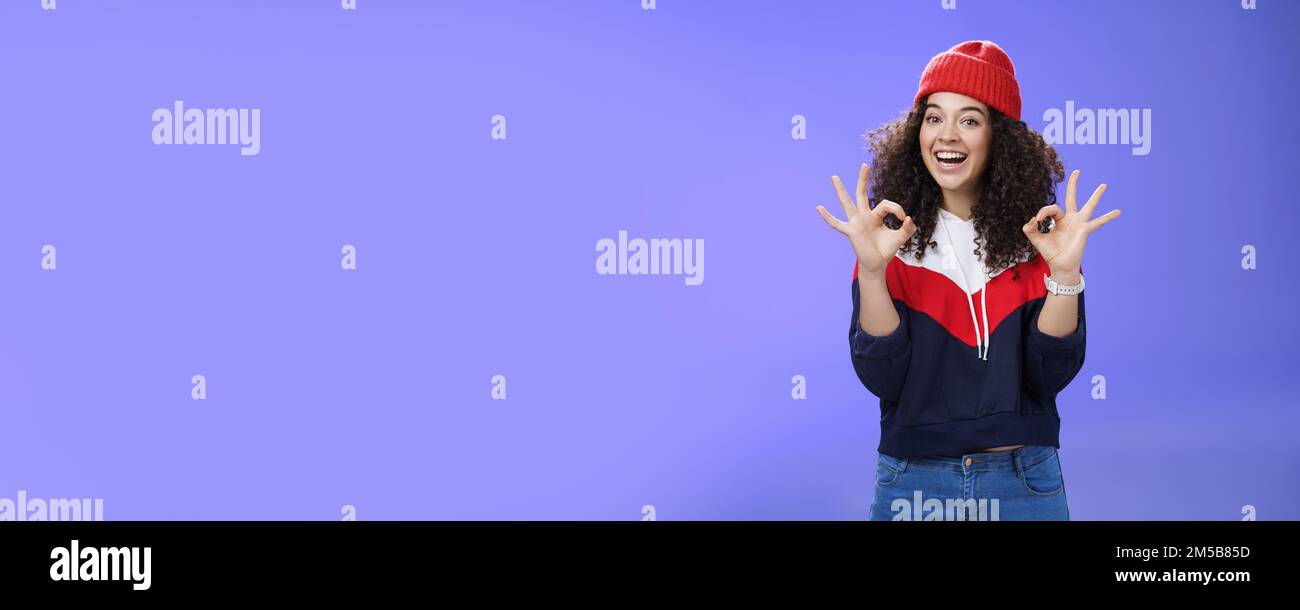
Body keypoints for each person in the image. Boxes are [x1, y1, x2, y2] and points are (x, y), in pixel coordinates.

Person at [815, 40, 1122, 521]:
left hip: (1024, 482)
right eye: (934, 118)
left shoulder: (1042, 241)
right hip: (913, 484)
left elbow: (1050, 376)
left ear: (999, 136)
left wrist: (1063, 275)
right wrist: (874, 273)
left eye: (970, 119)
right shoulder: (890, 240)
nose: (947, 135)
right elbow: (883, 378)